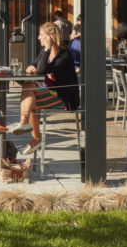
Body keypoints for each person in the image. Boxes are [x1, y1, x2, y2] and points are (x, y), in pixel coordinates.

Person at [10, 22, 80, 156]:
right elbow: (35, 64)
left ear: (50, 37)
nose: (38, 38)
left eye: (41, 35)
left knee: (29, 89)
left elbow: (41, 71)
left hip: (63, 96)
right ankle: (28, 128)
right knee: (29, 94)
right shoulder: (44, 52)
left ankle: (33, 136)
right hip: (52, 91)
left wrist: (48, 49)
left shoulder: (65, 55)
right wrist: (30, 66)